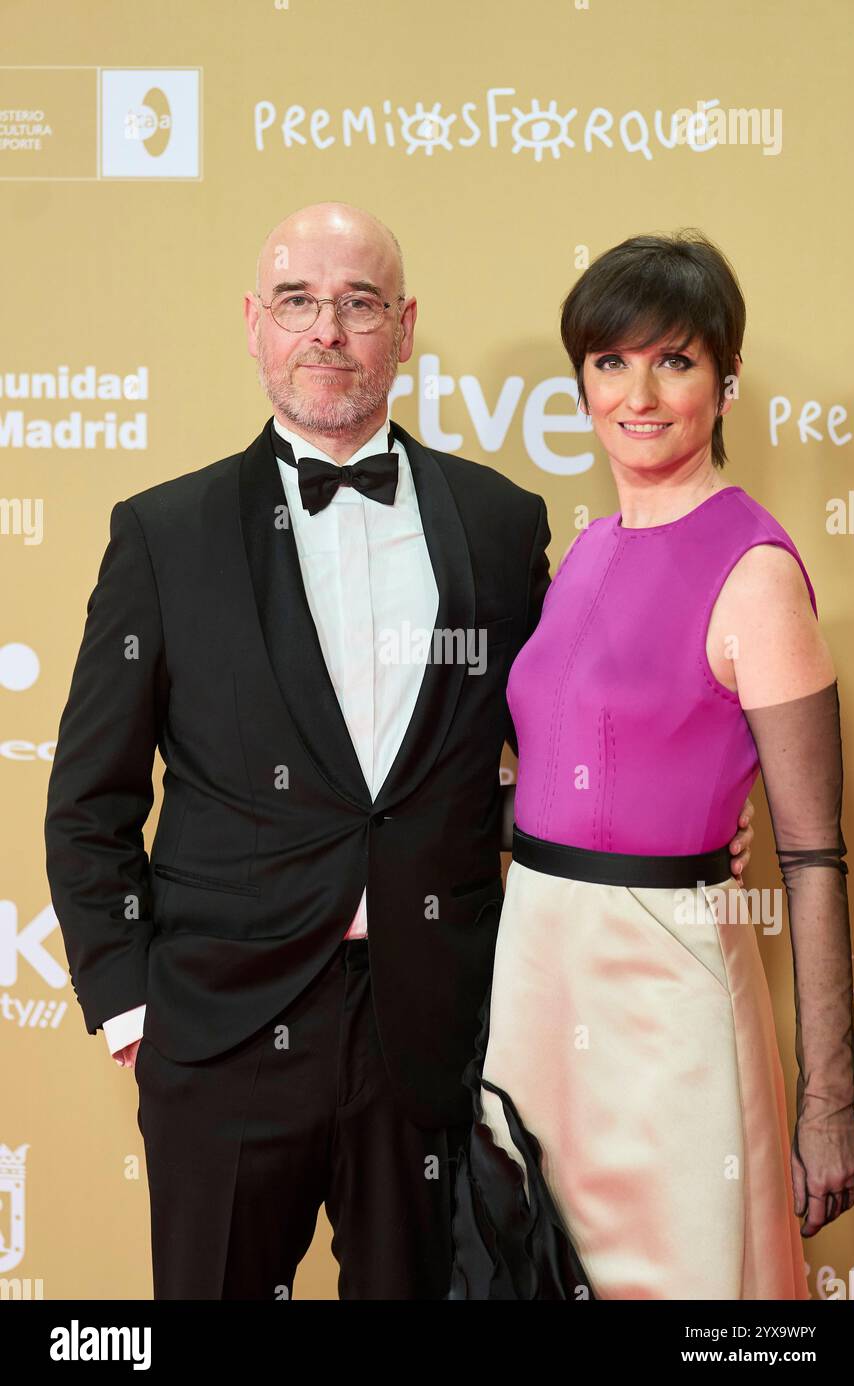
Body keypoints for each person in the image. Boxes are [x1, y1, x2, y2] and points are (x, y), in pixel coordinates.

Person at [44, 204, 752, 1301]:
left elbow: (565, 745)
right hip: (222, 1031)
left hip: (435, 1035)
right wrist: (136, 1010)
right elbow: (88, 799)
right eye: (296, 301)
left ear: (404, 326)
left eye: (359, 303)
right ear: (253, 323)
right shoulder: (162, 535)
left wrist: (691, 810)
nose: (326, 330)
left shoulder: (498, 523)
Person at [448, 230, 854, 1301]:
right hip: (538, 971)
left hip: (660, 990)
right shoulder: (585, 550)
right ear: (582, 380)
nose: (637, 393)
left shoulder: (755, 569)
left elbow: (812, 854)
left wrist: (829, 1100)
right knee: (536, 1265)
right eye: (609, 363)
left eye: (672, 361)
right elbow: (563, 784)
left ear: (723, 383)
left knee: (681, 1276)